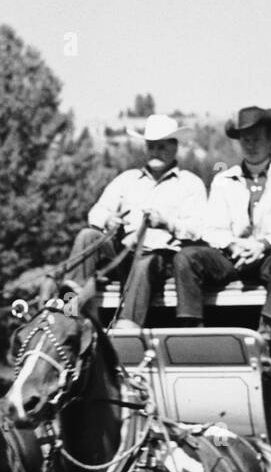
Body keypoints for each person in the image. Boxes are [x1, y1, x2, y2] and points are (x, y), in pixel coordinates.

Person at [171, 106, 271, 356]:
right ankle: (192, 332)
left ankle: (266, 334)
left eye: (256, 139)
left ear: (270, 139)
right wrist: (233, 244)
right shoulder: (224, 180)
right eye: (245, 140)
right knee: (186, 257)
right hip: (232, 257)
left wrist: (264, 244)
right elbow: (211, 228)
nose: (250, 145)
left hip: (269, 258)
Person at [66, 114, 207, 325]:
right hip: (122, 254)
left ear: (174, 147)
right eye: (151, 146)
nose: (155, 152)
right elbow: (96, 212)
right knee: (87, 236)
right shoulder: (127, 180)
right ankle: (70, 311)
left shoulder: (190, 184)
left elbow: (198, 230)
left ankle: (127, 325)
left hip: (162, 258)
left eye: (161, 147)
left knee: (145, 262)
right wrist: (109, 220)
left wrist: (167, 223)